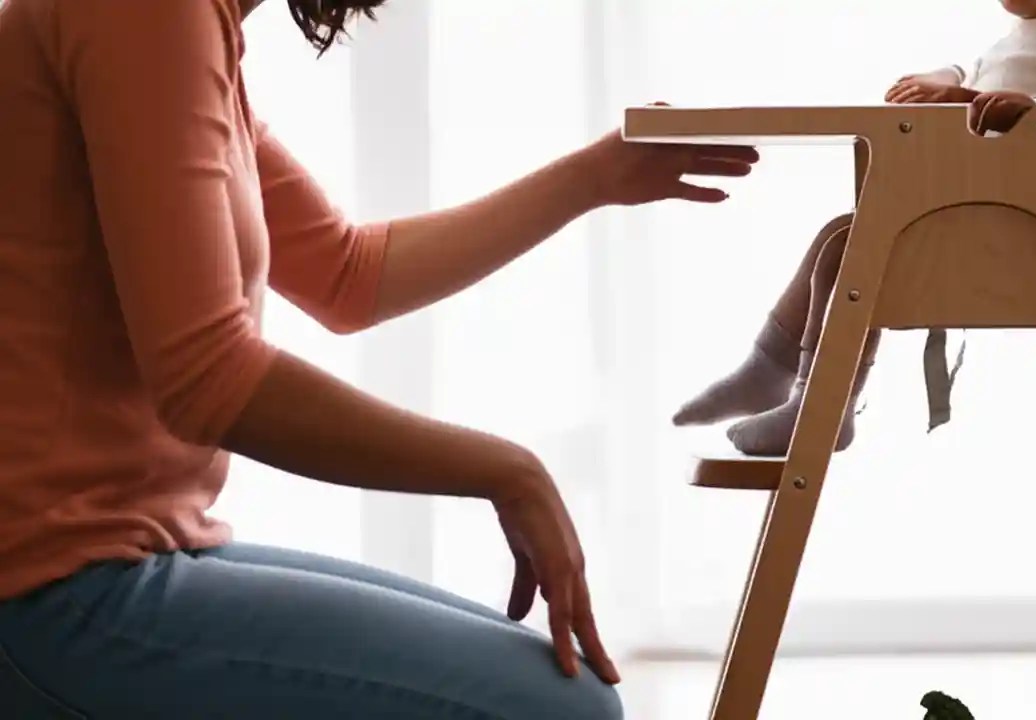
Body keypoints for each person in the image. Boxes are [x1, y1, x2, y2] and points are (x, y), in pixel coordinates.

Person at [0, 0, 758, 717]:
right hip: (52, 593)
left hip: (127, 553)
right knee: (558, 707)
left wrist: (596, 178)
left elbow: (345, 273)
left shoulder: (194, 29)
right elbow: (206, 377)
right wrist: (504, 469)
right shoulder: (145, 15)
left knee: (567, 689)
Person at [673, 0, 1036, 456]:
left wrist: (1033, 113)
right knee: (842, 236)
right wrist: (943, 80)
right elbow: (978, 72)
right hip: (1007, 226)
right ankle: (768, 369)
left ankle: (820, 405)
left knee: (854, 251)